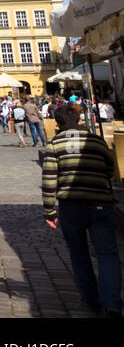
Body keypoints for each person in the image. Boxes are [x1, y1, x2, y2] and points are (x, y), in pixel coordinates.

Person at [42, 105, 121, 316]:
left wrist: (49, 210)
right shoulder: (96, 140)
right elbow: (110, 168)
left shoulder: (55, 143)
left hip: (71, 204)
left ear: (57, 123)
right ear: (79, 120)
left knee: (79, 253)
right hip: (100, 202)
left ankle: (91, 300)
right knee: (107, 254)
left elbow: (49, 179)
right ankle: (112, 303)